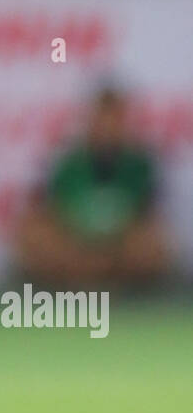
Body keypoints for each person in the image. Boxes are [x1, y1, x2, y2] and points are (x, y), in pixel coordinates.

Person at [13, 85, 170, 287]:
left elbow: (147, 217)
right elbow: (49, 211)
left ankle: (108, 283)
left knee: (150, 246)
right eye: (102, 118)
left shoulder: (139, 165)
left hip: (119, 247)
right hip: (74, 244)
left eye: (114, 119)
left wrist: (109, 248)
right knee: (34, 236)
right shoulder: (69, 163)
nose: (107, 126)